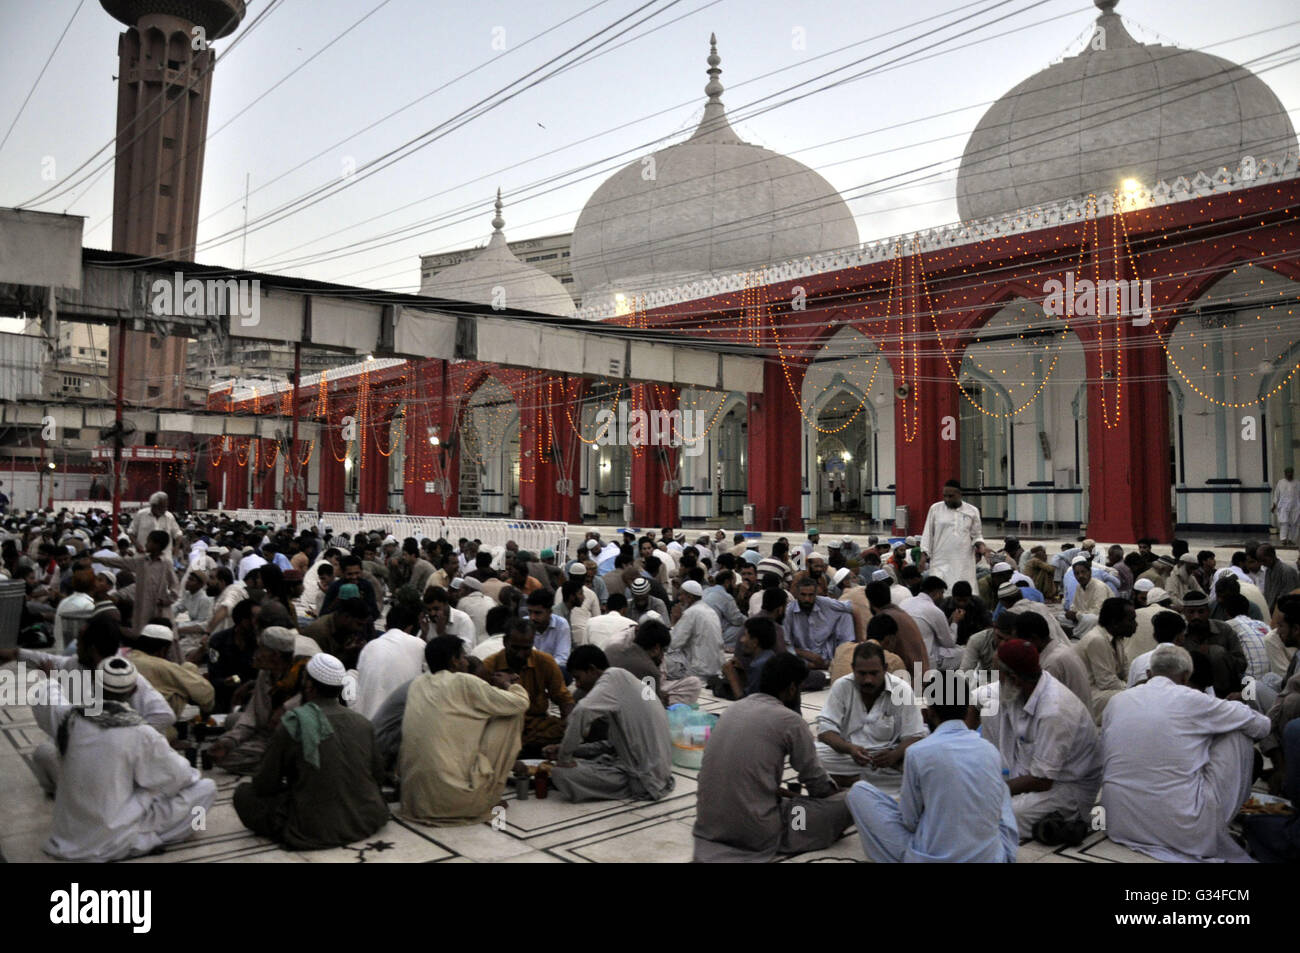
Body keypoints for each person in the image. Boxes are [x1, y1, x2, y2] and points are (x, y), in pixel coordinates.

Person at [1101, 644, 1272, 862]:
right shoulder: (1193, 699)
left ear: (1148, 674)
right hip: (1183, 829)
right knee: (1238, 732)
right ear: (1185, 678)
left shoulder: (1117, 700)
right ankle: (1215, 826)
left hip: (1118, 822)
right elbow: (1262, 725)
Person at [40, 656, 217, 861]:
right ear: (133, 691)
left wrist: (50, 679)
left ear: (93, 684)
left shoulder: (69, 718)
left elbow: (50, 700)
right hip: (113, 835)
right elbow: (181, 777)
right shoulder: (140, 732)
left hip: (67, 834)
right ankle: (148, 841)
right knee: (205, 789)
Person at [846, 670, 1018, 863]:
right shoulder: (989, 750)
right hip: (992, 858)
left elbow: (909, 821)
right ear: (968, 710)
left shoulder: (917, 752)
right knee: (1001, 789)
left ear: (927, 714)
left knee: (858, 792)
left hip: (931, 857)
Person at [693, 654, 852, 862]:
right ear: (793, 689)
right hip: (755, 833)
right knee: (849, 801)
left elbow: (744, 775)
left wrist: (783, 793)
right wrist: (835, 793)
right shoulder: (791, 721)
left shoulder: (733, 709)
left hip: (709, 825)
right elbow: (817, 785)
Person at [233, 653, 390, 848]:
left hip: (315, 828)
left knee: (243, 795)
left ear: (309, 686)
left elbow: (264, 785)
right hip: (368, 819)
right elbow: (377, 775)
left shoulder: (294, 722)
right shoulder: (363, 722)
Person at [400, 635, 529, 825]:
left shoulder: (417, 684)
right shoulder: (464, 681)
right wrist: (509, 684)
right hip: (453, 801)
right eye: (463, 657)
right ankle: (487, 797)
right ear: (454, 660)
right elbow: (521, 702)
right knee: (511, 715)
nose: (466, 662)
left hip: (414, 800)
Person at [983, 639, 1102, 841]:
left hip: (1067, 787)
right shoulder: (1018, 690)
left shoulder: (1054, 711)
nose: (995, 678)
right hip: (1030, 774)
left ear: (1013, 677)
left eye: (997, 672)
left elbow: (1042, 781)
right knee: (989, 710)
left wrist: (996, 791)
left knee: (1003, 814)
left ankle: (1063, 821)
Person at [544, 645, 675, 802]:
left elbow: (581, 711)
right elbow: (611, 745)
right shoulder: (621, 679)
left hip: (645, 781)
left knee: (561, 773)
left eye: (578, 678)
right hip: (657, 773)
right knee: (587, 760)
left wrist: (564, 756)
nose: (577, 685)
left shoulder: (612, 680)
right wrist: (573, 750)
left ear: (592, 670)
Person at [815, 642, 927, 794]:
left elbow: (915, 735)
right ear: (853, 668)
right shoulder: (842, 686)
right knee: (813, 756)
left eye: (874, 673)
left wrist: (894, 755)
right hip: (848, 756)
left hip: (886, 758)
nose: (868, 680)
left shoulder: (901, 689)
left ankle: (851, 782)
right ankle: (870, 782)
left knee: (918, 760)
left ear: (885, 669)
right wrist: (850, 749)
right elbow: (825, 731)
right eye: (862, 673)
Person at [208, 626, 303, 775]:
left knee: (233, 757)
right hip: (266, 732)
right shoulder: (265, 674)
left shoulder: (302, 677)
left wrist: (286, 708)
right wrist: (229, 742)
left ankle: (281, 766)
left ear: (275, 655)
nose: (255, 654)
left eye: (260, 650)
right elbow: (252, 717)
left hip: (289, 739)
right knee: (231, 727)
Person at [482, 616, 573, 756]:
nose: (520, 654)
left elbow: (564, 699)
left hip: (539, 727)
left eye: (526, 648)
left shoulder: (545, 662)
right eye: (515, 648)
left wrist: (568, 733)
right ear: (505, 642)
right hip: (504, 726)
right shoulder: (489, 666)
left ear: (532, 644)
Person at [125, 623, 215, 724]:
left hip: (128, 714)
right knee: (189, 671)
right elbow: (206, 692)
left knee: (187, 668)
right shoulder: (162, 666)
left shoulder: (125, 658)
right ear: (164, 649)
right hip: (153, 721)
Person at [353, 604, 425, 720]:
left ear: (386, 627)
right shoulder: (419, 644)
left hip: (365, 722)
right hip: (399, 725)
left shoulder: (369, 647)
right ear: (410, 628)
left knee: (351, 675)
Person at [786, 576, 855, 689]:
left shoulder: (824, 603)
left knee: (845, 615)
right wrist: (810, 657)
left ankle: (840, 660)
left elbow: (851, 607)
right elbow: (786, 645)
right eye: (803, 595)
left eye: (811, 595)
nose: (807, 599)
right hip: (802, 659)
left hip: (827, 655)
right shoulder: (789, 611)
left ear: (816, 594)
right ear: (797, 594)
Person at [1075, 597, 1136, 723]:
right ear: (1115, 622)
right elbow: (1106, 682)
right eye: (1131, 620)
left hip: (1105, 690)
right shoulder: (1097, 639)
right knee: (1132, 699)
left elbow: (1125, 670)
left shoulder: (1117, 638)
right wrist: (1134, 688)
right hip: (1091, 695)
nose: (1135, 624)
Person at [919, 480, 986, 591]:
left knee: (963, 590)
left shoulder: (972, 511)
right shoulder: (935, 509)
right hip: (940, 559)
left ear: (960, 495)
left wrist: (983, 547)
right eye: (945, 496)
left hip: (963, 561)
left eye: (951, 496)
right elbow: (928, 534)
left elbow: (977, 535)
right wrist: (923, 556)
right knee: (939, 590)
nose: (947, 499)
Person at [665, 579, 724, 683]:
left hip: (697, 670)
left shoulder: (691, 612)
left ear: (690, 597)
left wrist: (674, 622)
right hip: (715, 668)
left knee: (662, 659)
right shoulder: (710, 610)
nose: (679, 599)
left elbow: (674, 643)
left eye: (681, 595)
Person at [902, 576, 961, 670]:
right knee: (962, 652)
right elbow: (949, 643)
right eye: (942, 593)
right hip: (925, 661)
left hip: (904, 655)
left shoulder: (904, 603)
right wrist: (955, 622)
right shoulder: (934, 610)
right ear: (935, 593)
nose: (942, 597)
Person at [721, 615, 779, 700]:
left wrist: (731, 677)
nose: (741, 640)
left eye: (745, 635)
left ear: (755, 642)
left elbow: (748, 704)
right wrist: (743, 673)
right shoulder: (771, 656)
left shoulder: (758, 665)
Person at [1127, 609, 1186, 687]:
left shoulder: (1137, 661)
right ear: (1180, 637)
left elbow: (1129, 691)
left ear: (1155, 636)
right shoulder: (1188, 661)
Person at [126, 492, 184, 559]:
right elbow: (131, 532)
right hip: (143, 557)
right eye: (162, 507)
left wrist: (176, 550)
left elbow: (178, 534)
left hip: (164, 558)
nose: (165, 509)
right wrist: (137, 545)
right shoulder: (141, 515)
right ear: (154, 505)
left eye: (166, 506)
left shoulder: (169, 517)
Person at [1258, 543, 1299, 612]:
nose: (1262, 564)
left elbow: (1288, 596)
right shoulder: (1268, 571)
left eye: (1264, 560)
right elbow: (1268, 594)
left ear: (1272, 556)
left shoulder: (1287, 572)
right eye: (1260, 561)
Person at [1275, 466, 1300, 546]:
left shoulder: (1297, 483)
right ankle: (1283, 539)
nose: (1289, 474)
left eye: (1291, 473)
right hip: (1283, 506)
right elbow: (1276, 494)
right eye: (1288, 473)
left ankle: (1291, 539)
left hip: (1295, 506)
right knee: (1284, 522)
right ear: (1285, 474)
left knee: (1294, 523)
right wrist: (1274, 505)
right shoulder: (1281, 482)